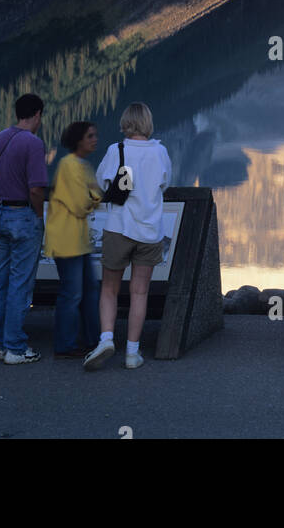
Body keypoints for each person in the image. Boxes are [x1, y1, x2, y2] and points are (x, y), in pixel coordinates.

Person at [84, 103, 171, 371]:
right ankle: (133, 353)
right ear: (147, 123)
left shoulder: (115, 151)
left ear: (125, 123)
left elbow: (102, 182)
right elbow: (164, 183)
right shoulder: (160, 152)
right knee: (140, 292)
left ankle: (107, 339)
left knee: (110, 288)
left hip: (119, 227)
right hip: (149, 232)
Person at [0, 93, 49, 365]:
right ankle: (15, 348)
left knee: (1, 281)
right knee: (20, 284)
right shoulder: (33, 144)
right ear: (37, 114)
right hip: (22, 215)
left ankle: (0, 344)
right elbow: (37, 188)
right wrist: (38, 215)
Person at [44, 120, 102, 359]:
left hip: (78, 240)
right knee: (73, 293)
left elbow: (94, 194)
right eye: (90, 136)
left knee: (90, 289)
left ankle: (93, 339)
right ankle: (64, 345)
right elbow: (82, 204)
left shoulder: (83, 166)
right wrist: (92, 198)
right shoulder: (69, 166)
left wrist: (92, 197)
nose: (94, 139)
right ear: (78, 140)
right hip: (67, 240)